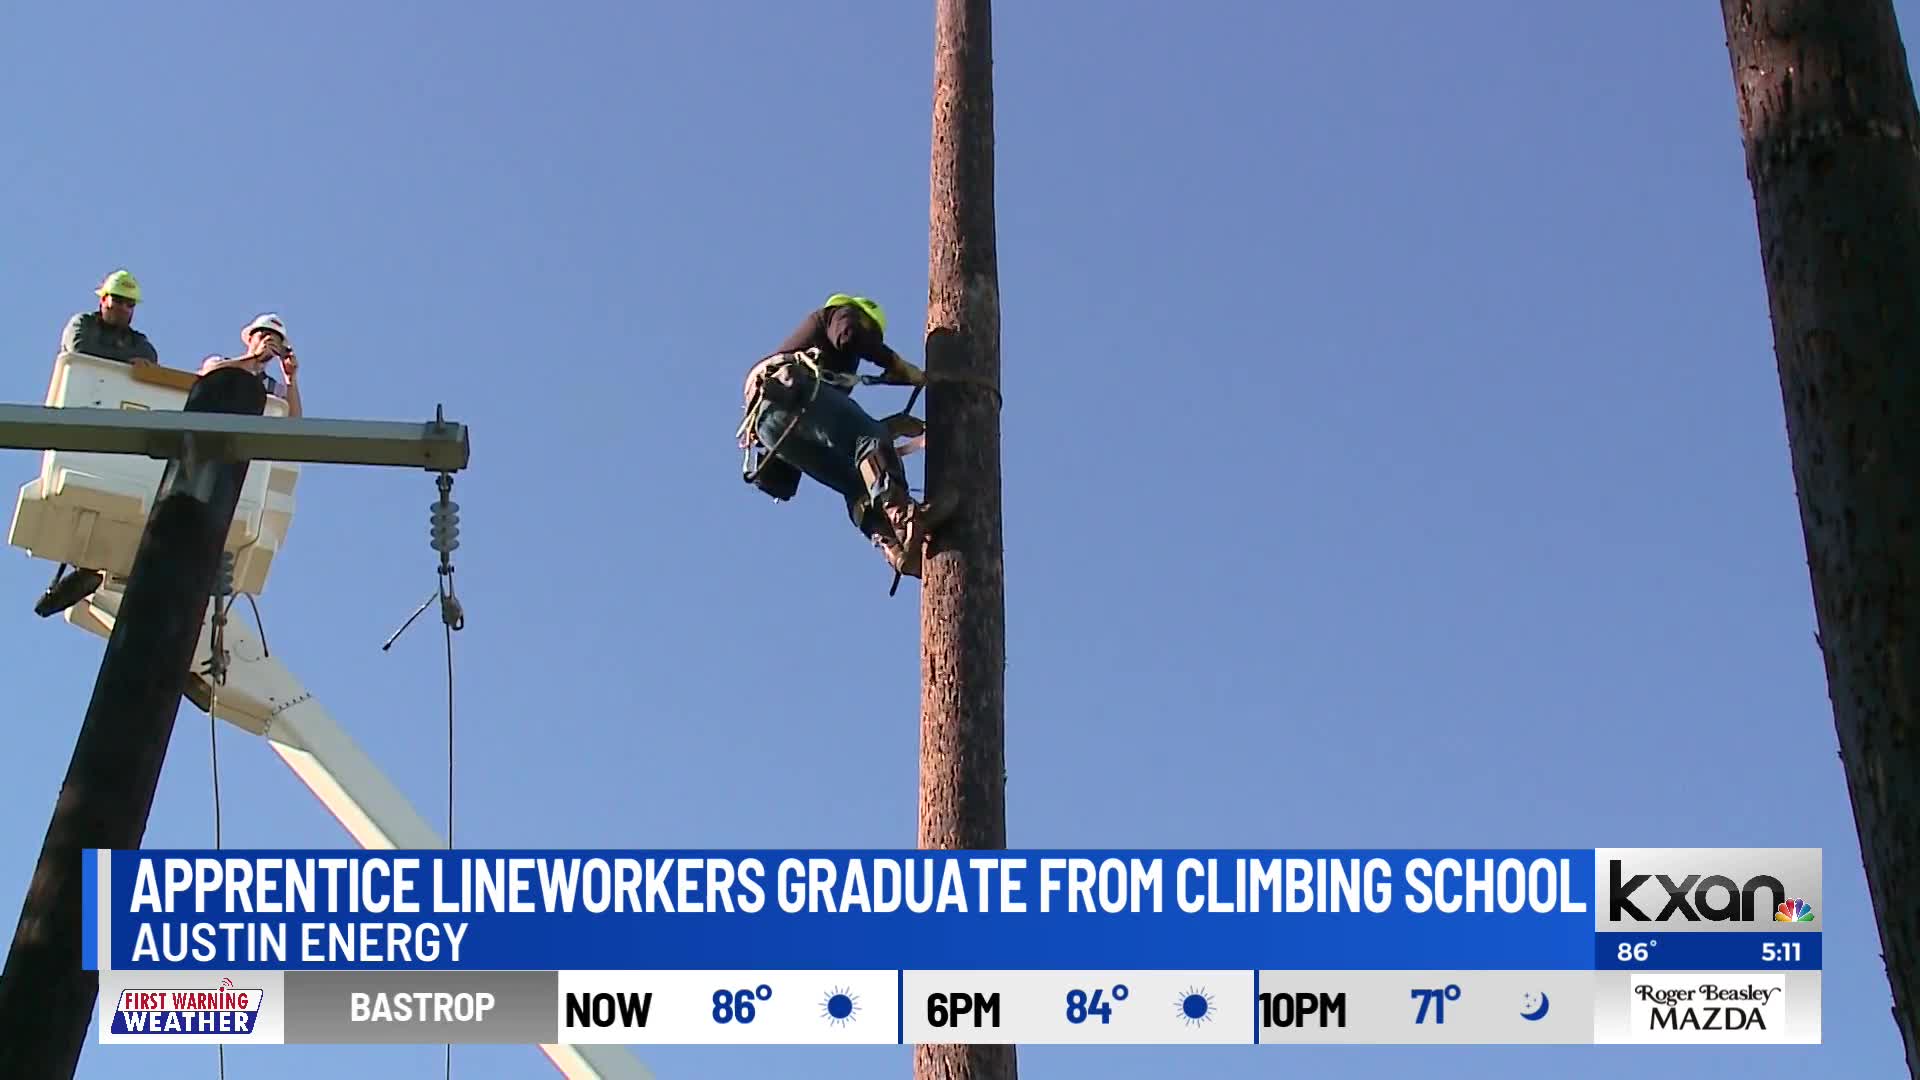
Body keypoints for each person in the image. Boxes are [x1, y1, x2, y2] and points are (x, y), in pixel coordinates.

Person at [739, 294, 928, 577]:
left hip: (771, 427)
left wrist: (894, 426)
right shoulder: (837, 314)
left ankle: (894, 547)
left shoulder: (828, 374)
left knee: (856, 482)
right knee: (868, 438)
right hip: (789, 391)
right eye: (871, 334)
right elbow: (849, 336)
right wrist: (895, 363)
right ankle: (903, 517)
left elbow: (841, 436)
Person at [199, 313, 302, 418]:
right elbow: (208, 373)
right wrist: (254, 357)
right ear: (250, 339)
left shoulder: (275, 389)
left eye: (275, 342)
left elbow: (294, 421)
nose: (268, 343)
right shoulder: (219, 361)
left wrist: (290, 379)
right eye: (262, 336)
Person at [60, 269, 158, 365]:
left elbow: (150, 358)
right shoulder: (84, 323)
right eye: (118, 300)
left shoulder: (136, 340)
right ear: (103, 299)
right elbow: (81, 350)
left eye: (130, 303)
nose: (123, 308)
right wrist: (128, 361)